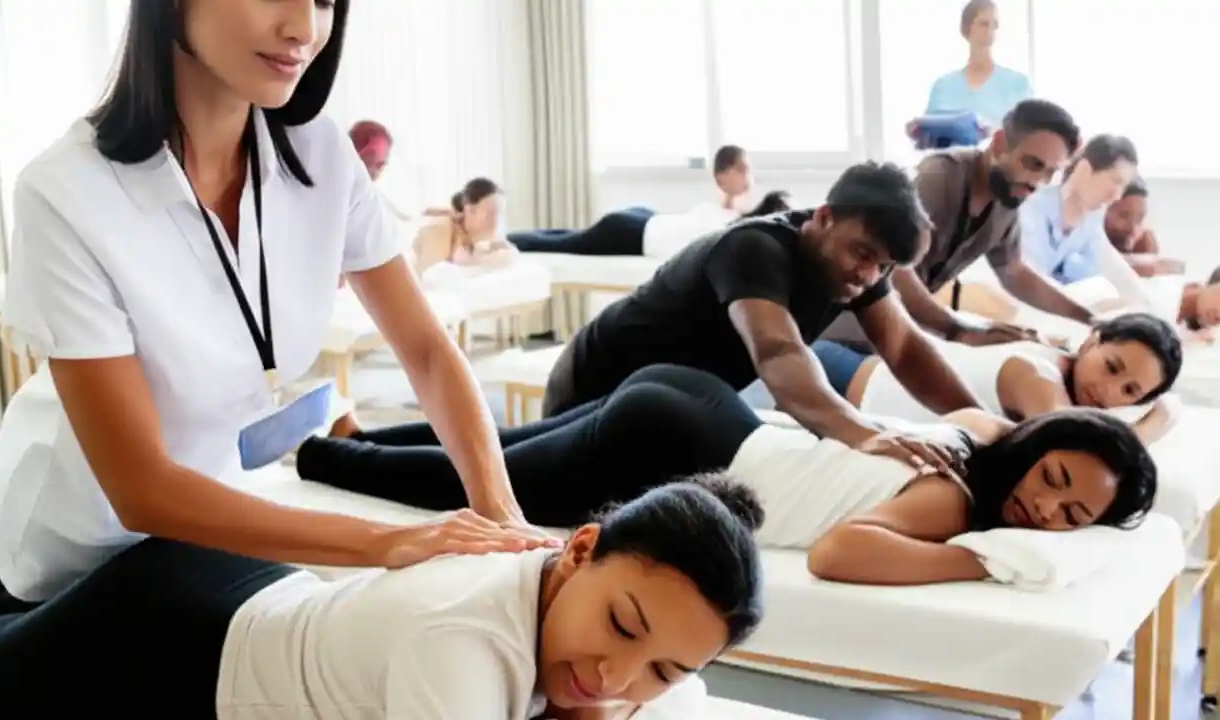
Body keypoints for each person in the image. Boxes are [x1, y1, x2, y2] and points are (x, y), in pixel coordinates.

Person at [0, 0, 553, 607]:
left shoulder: (322, 156)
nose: (304, 28)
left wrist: (503, 515)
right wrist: (389, 541)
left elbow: (426, 351)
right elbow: (141, 490)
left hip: (208, 507)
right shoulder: (65, 192)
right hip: (76, 537)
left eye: (324, 0)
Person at [0, 478, 763, 719]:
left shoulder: (566, 578)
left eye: (660, 670)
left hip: (247, 589)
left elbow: (669, 682)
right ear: (579, 548)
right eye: (621, 628)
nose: (620, 678)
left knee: (14, 624)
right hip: (169, 644)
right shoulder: (458, 653)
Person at [295, 364, 1156, 587]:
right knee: (485, 478)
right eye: (1052, 478)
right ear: (1036, 448)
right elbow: (840, 553)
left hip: (703, 408)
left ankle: (351, 430)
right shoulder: (953, 502)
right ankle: (323, 453)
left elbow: (987, 427)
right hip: (675, 447)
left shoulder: (970, 440)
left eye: (1071, 513)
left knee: (505, 443)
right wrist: (983, 556)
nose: (1045, 509)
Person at [541, 161, 1001, 470]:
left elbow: (904, 348)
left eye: (883, 266)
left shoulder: (861, 269)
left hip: (661, 399)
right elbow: (779, 350)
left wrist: (984, 424)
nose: (868, 275)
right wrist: (859, 432)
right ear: (824, 217)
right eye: (862, 253)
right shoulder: (755, 248)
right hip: (594, 383)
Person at [823, 99, 1087, 364]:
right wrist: (957, 329)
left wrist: (1086, 316)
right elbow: (896, 268)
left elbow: (1015, 272)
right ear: (998, 144)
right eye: (1033, 164)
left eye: (1051, 173)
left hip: (894, 328)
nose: (1038, 182)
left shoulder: (1007, 200)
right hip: (844, 328)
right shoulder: (941, 177)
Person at [817, 312, 1184, 444]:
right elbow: (1079, 447)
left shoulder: (1065, 376)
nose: (1108, 390)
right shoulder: (1038, 376)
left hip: (852, 383)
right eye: (1112, 366)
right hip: (835, 378)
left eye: (1130, 391)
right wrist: (1156, 423)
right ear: (1092, 341)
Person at [505, 146, 763, 257]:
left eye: (748, 169)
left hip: (643, 219)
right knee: (562, 243)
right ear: (722, 176)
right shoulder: (726, 220)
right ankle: (507, 240)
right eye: (742, 169)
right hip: (632, 231)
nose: (748, 176)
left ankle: (507, 238)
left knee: (568, 237)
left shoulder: (726, 215)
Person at [1018, 134, 1153, 313]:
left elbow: (1111, 266)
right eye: (1115, 181)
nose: (1117, 195)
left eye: (1123, 187)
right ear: (1084, 169)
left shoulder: (1091, 218)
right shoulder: (1031, 209)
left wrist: (1148, 310)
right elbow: (1028, 279)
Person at [923, 0, 1032, 128]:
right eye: (984, 24)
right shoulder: (943, 87)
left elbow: (1031, 136)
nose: (990, 30)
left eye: (994, 25)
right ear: (966, 29)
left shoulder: (1018, 84)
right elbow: (928, 136)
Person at [348, 119, 451, 223]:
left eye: (385, 158)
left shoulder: (378, 188)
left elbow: (407, 211)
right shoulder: (358, 192)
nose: (384, 164)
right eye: (378, 163)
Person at [412, 177, 517, 274]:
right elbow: (427, 278)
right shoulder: (441, 229)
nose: (496, 223)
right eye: (490, 215)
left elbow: (510, 255)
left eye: (500, 215)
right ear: (470, 210)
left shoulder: (477, 238)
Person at [1104, 177, 1186, 278]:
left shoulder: (1143, 242)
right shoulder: (1087, 239)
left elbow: (1180, 267)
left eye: (1139, 218)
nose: (1132, 228)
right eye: (1123, 216)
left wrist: (1150, 258)